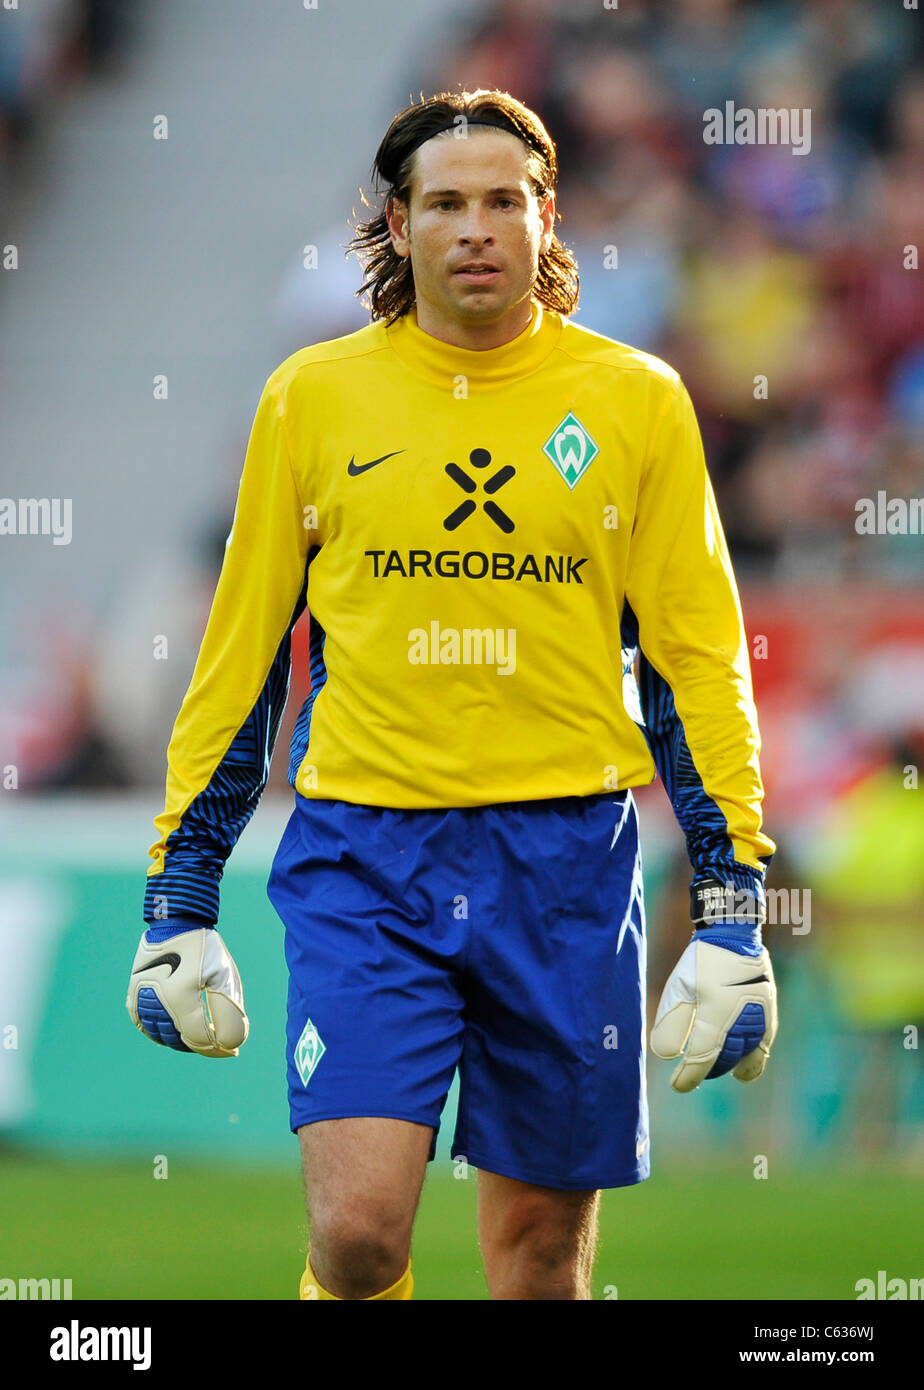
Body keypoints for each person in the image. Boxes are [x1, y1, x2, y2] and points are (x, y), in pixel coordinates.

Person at [126, 89, 778, 1302]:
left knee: (537, 1263)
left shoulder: (637, 401)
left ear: (546, 219)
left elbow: (697, 661)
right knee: (362, 1231)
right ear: (399, 225)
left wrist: (734, 901)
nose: (473, 227)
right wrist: (179, 890)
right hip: (367, 859)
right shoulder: (311, 400)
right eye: (444, 203)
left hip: (568, 866)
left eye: (499, 200)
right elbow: (247, 656)